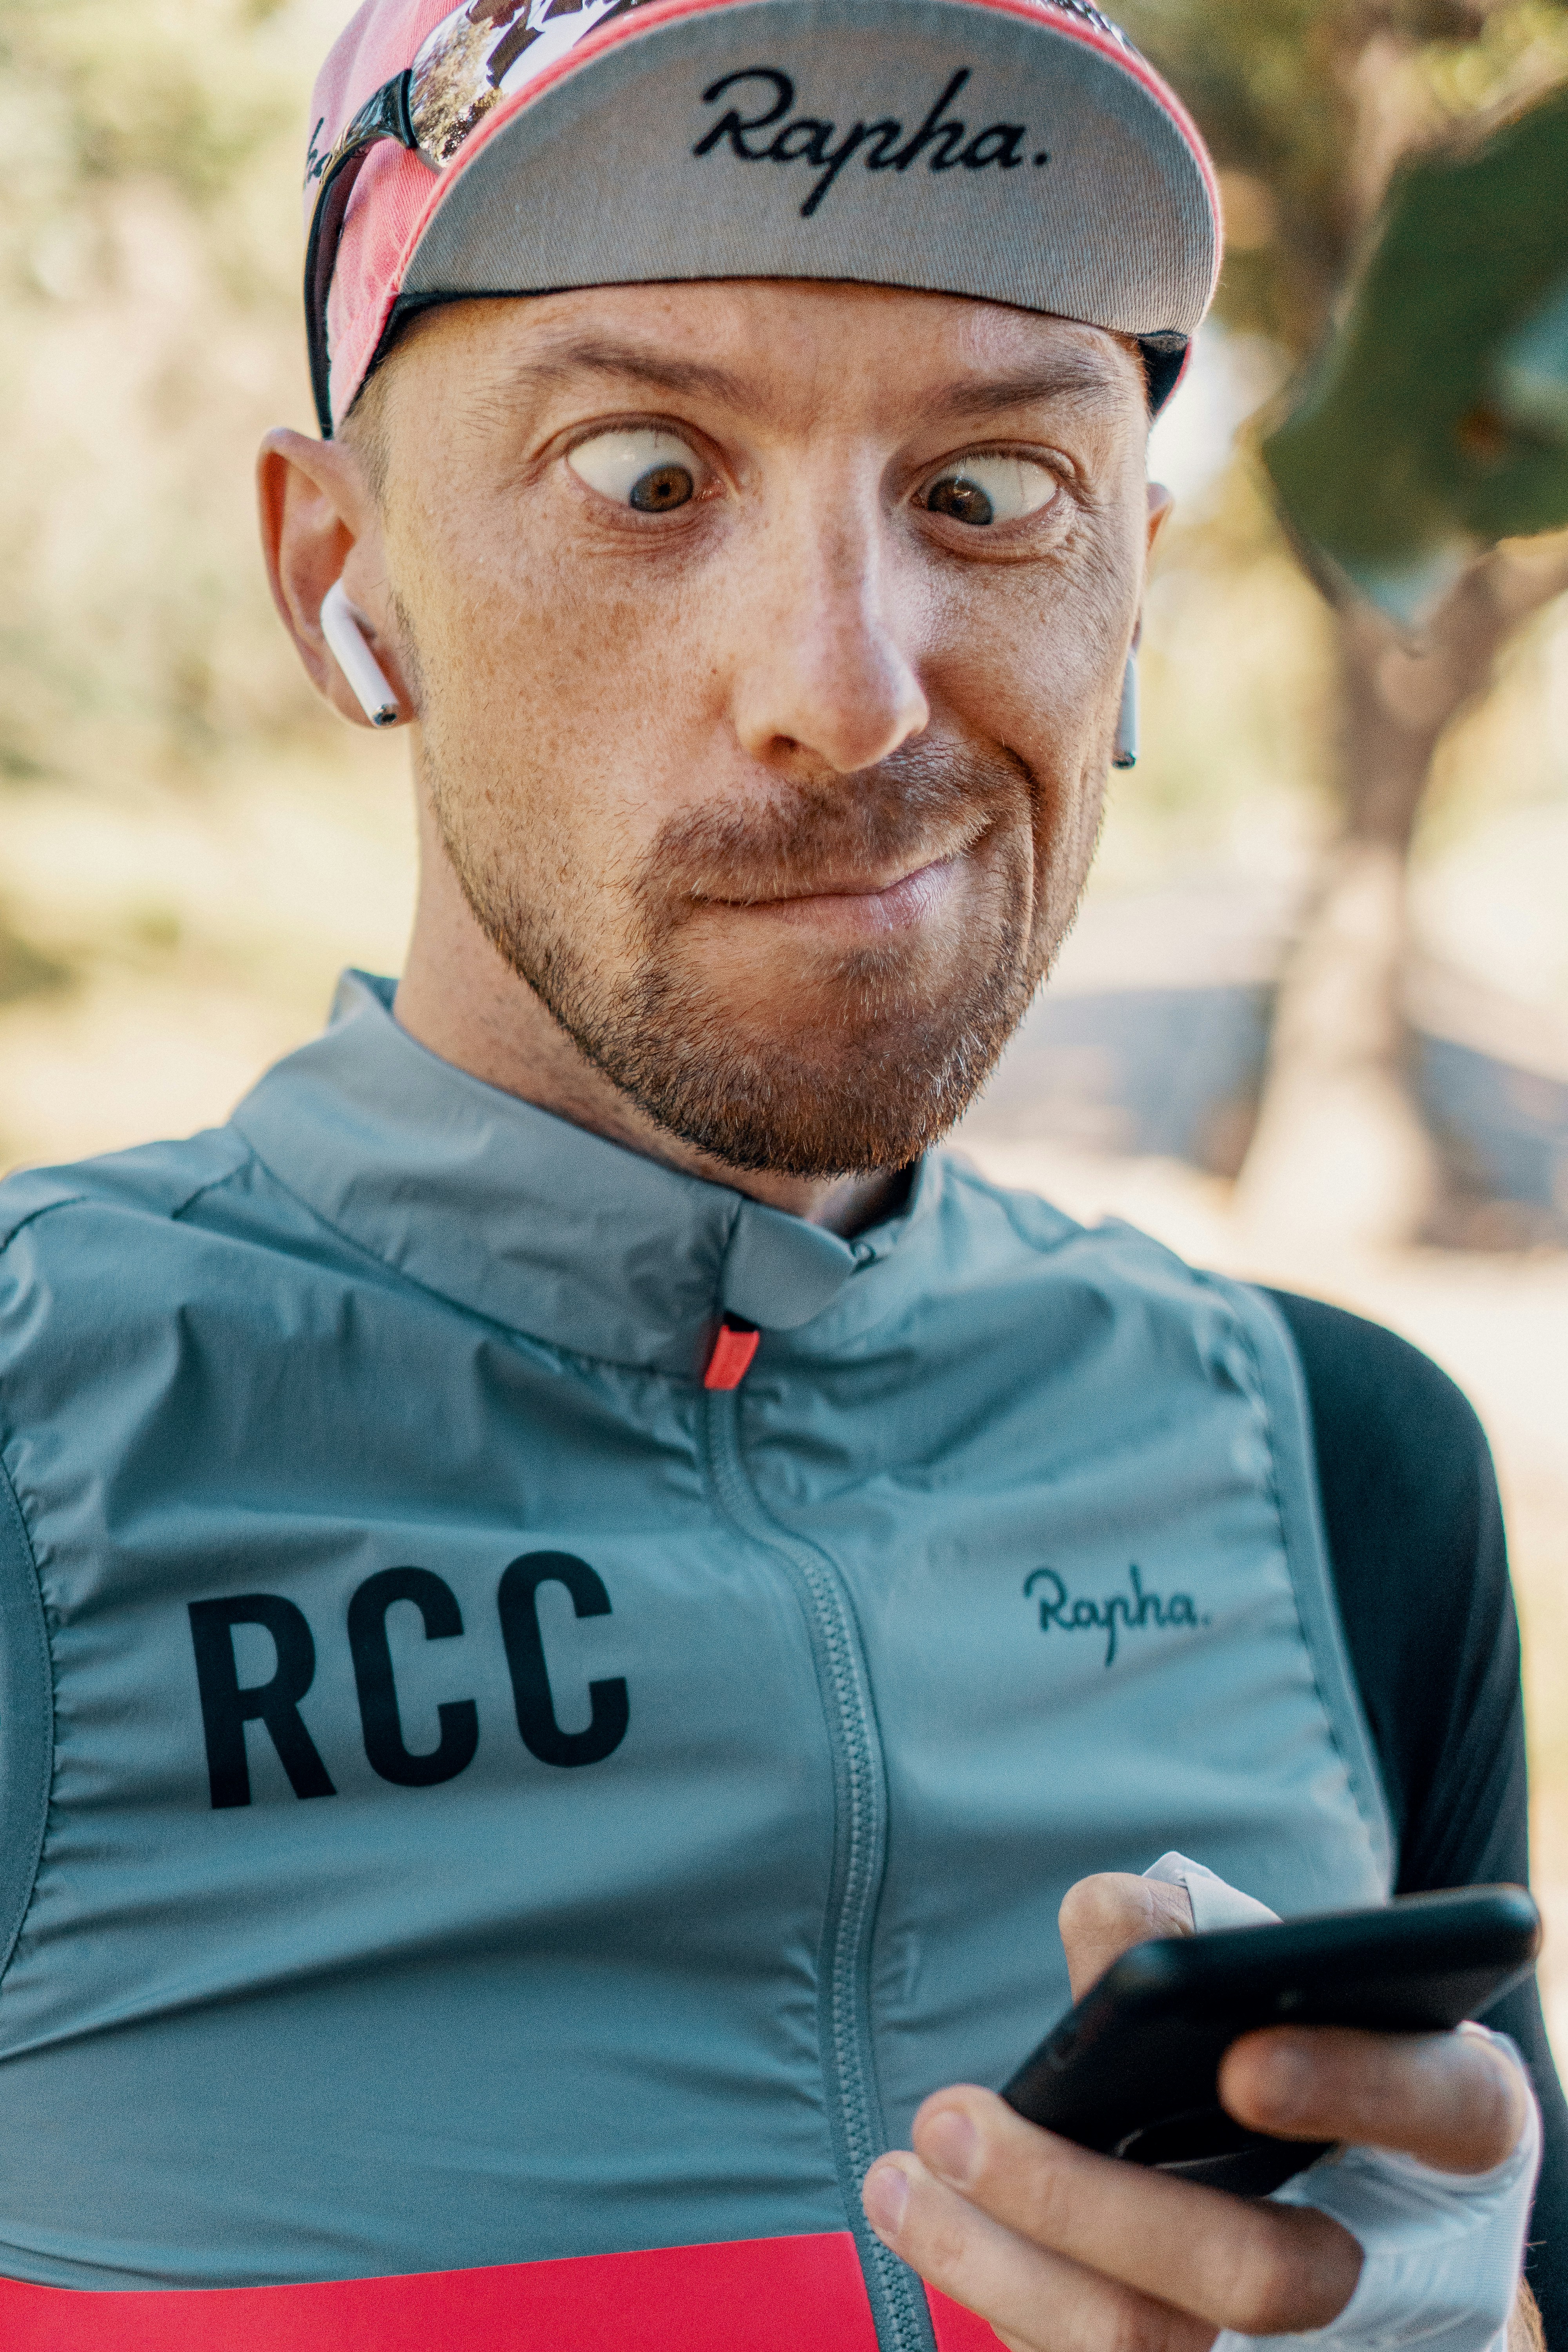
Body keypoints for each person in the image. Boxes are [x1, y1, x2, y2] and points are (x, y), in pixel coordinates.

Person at [0, 0, 1557, 2344]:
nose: (848, 689)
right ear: (346, 574)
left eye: (990, 492)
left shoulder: (1351, 1478)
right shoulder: (43, 1463)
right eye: (646, 477)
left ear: (1133, 573)